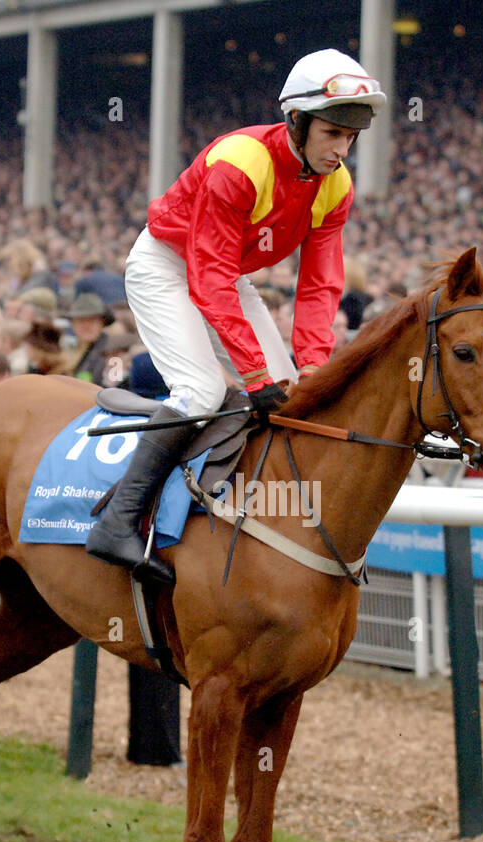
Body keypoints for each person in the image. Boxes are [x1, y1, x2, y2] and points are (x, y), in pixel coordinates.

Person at [85, 48, 386, 583]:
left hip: (228, 274)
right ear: (296, 119)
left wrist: (313, 365)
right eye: (332, 133)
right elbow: (206, 275)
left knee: (293, 391)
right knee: (202, 391)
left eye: (350, 137)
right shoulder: (241, 161)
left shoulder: (335, 186)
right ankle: (118, 520)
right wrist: (253, 374)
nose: (341, 150)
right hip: (168, 265)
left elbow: (319, 286)